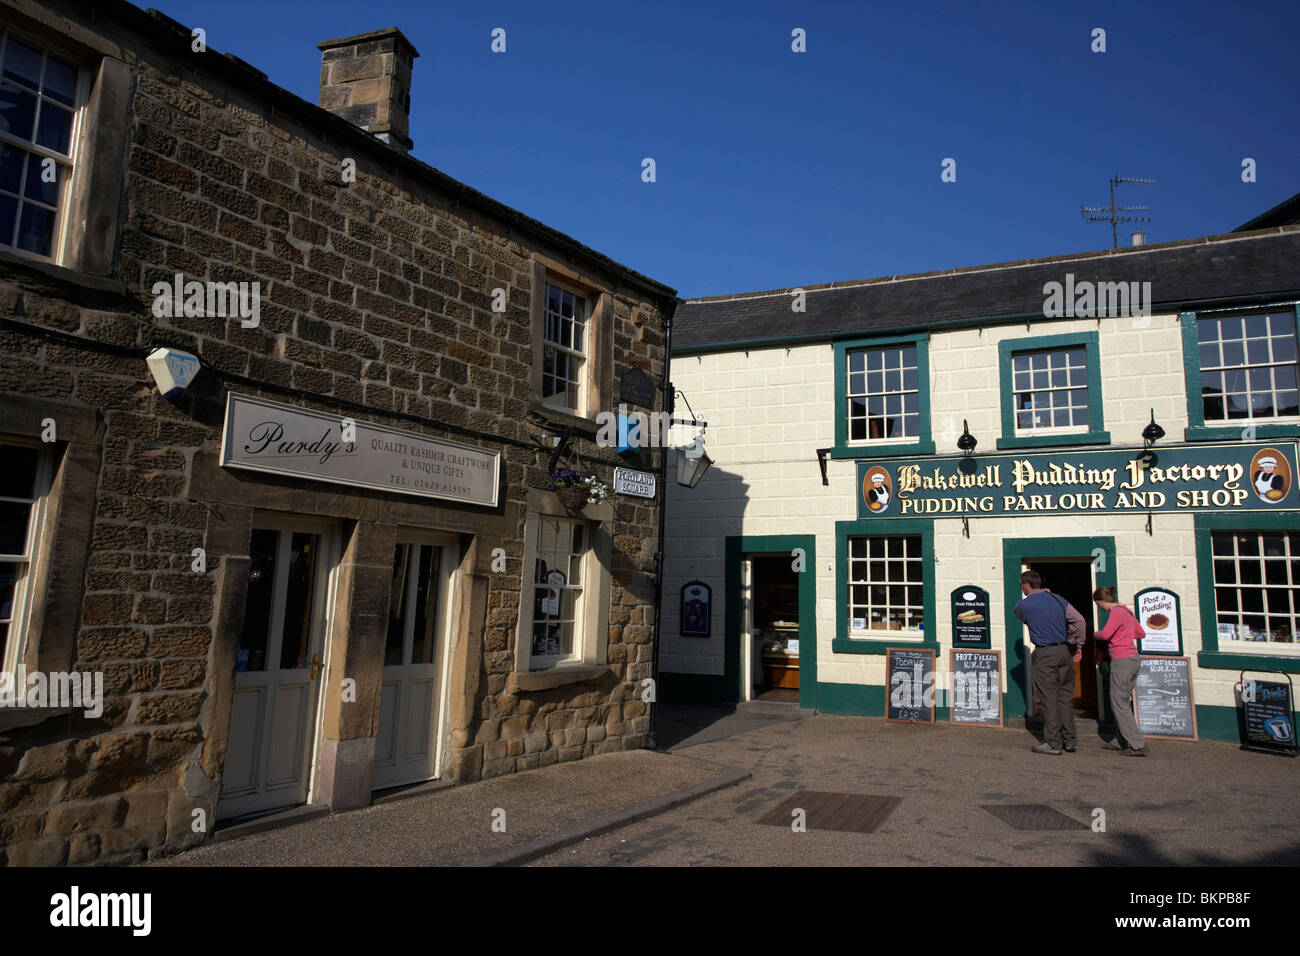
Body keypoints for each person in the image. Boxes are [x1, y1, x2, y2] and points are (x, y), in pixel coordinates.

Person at [1014, 569, 1086, 755]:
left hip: (1045, 653)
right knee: (1064, 698)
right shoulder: (1057, 599)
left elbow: (1020, 615)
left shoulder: (1024, 605)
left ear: (1026, 585)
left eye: (1022, 585)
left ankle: (1053, 743)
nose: (1022, 588)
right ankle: (1069, 740)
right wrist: (1079, 644)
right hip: (1064, 650)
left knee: (1049, 699)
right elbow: (1079, 620)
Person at [1092, 587, 1149, 757]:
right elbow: (1140, 633)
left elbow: (1106, 634)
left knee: (1119, 702)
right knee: (1122, 701)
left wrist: (1096, 634)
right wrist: (1125, 634)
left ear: (1101, 602)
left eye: (1098, 604)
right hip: (1133, 659)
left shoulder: (1116, 612)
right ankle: (1121, 740)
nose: (1100, 608)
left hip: (1121, 660)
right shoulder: (1127, 611)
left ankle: (1137, 744)